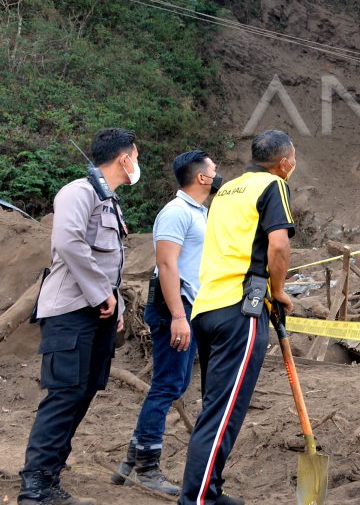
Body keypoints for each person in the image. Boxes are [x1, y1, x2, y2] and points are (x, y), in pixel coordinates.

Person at [19, 128, 139, 505]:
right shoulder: (78, 192)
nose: (138, 162)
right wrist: (102, 293)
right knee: (64, 394)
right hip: (70, 311)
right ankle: (35, 487)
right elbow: (68, 242)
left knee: (85, 391)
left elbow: (109, 263)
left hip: (98, 313)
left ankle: (52, 473)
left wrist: (114, 301)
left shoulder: (110, 201)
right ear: (124, 158)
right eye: (136, 154)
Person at [178, 130, 296, 505]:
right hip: (241, 311)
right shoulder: (273, 185)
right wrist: (277, 292)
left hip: (206, 308)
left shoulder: (227, 191)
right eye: (294, 159)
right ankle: (197, 499)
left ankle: (210, 489)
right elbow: (278, 245)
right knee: (222, 413)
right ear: (283, 162)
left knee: (217, 407)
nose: (294, 165)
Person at [112, 150, 222, 496]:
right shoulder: (176, 212)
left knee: (172, 383)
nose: (218, 174)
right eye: (214, 170)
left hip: (186, 306)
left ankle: (131, 460)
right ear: (201, 178)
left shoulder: (198, 212)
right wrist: (178, 316)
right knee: (167, 385)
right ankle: (146, 466)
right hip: (174, 307)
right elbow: (166, 265)